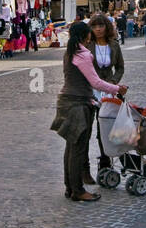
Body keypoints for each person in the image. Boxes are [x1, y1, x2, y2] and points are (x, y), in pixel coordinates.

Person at [50, 20, 127, 202]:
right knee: (78, 149)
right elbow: (95, 82)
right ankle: (77, 190)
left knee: (71, 148)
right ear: (86, 36)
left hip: (68, 101)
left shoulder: (70, 52)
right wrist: (117, 89)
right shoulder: (83, 54)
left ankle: (70, 187)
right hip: (77, 104)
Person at [88, 14, 125, 175]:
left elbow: (120, 67)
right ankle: (91, 164)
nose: (98, 29)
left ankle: (105, 159)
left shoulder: (114, 45)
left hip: (109, 89)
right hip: (91, 89)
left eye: (101, 26)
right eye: (95, 26)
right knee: (92, 124)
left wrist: (114, 82)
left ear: (106, 27)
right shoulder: (88, 45)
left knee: (105, 125)